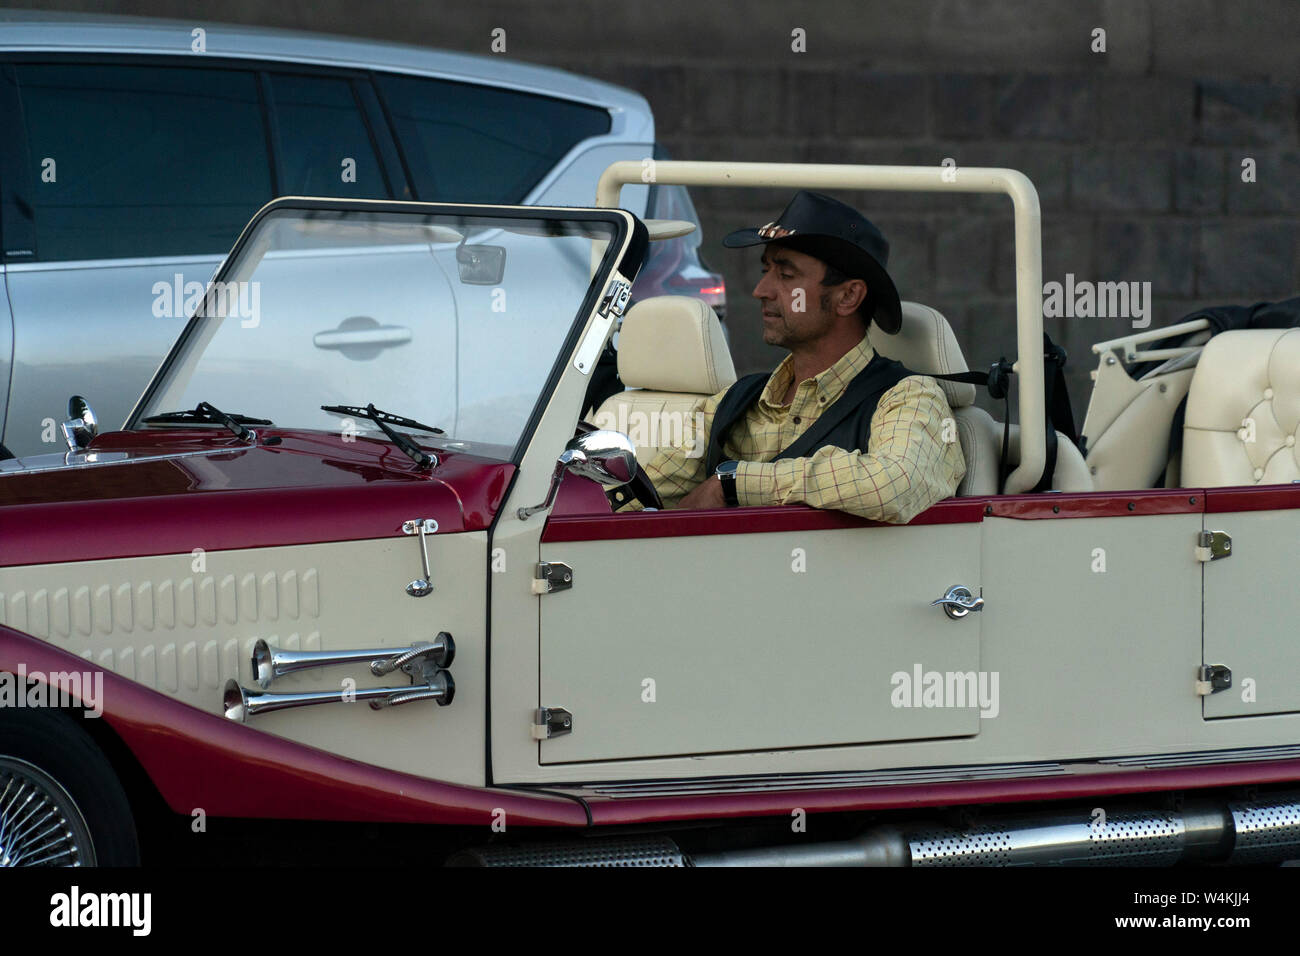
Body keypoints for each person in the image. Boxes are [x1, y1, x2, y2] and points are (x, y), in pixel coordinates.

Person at [627, 190, 964, 523]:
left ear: (848, 296)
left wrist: (733, 484)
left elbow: (893, 485)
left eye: (786, 276)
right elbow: (639, 499)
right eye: (766, 271)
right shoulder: (730, 405)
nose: (761, 291)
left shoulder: (909, 398)